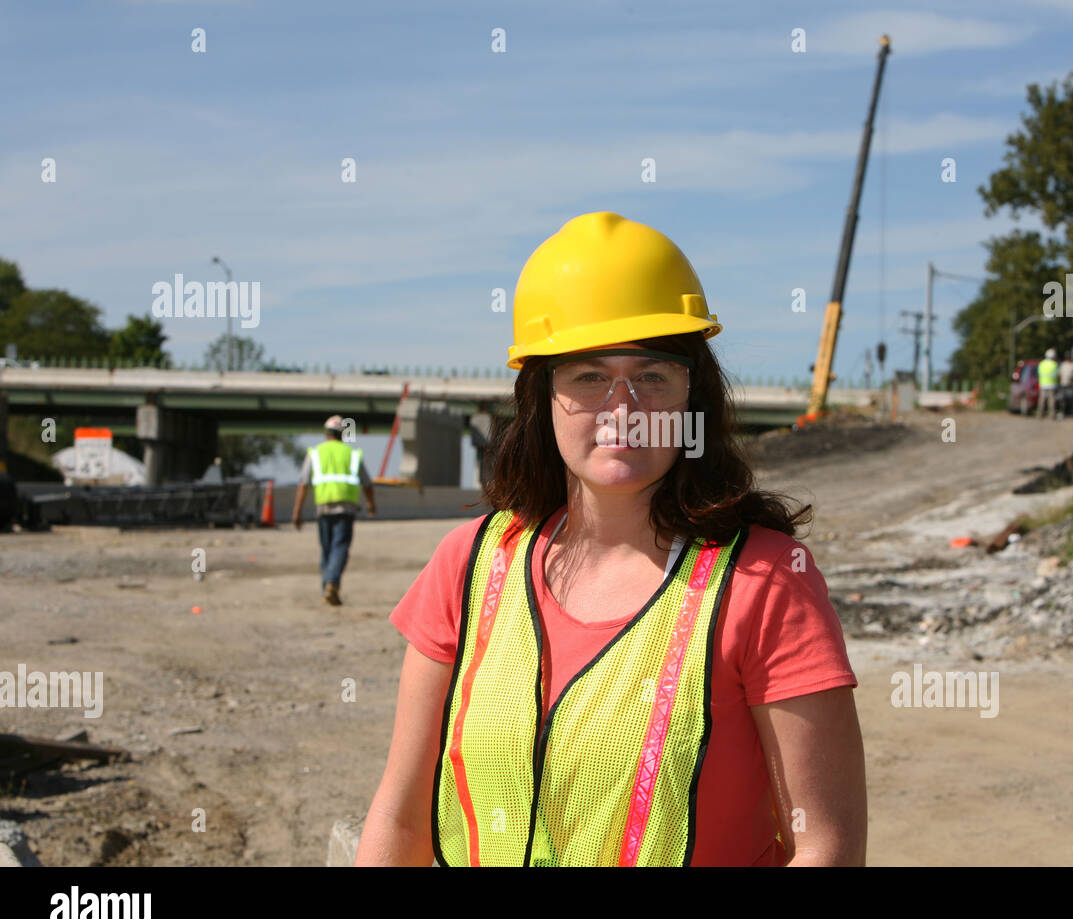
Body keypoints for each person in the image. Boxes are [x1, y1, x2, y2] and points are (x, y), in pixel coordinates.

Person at [357, 211, 867, 867]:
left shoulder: (765, 583)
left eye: (652, 376)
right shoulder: (468, 566)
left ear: (693, 396)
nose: (622, 409)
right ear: (542, 397)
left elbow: (824, 845)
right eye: (588, 376)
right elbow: (400, 821)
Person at [292, 415, 377, 606]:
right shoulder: (352, 454)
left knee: (327, 549)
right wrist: (371, 504)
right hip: (346, 508)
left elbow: (303, 483)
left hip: (323, 507)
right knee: (340, 548)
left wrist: (297, 512)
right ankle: (331, 584)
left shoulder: (315, 452)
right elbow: (367, 483)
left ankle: (328, 589)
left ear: (326, 433)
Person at [1036, 347, 1059, 419]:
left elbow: (1039, 373)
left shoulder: (1041, 364)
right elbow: (1057, 375)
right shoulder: (1054, 364)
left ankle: (1040, 414)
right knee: (1051, 401)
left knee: (1042, 400)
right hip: (1052, 385)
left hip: (1043, 385)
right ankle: (1052, 415)